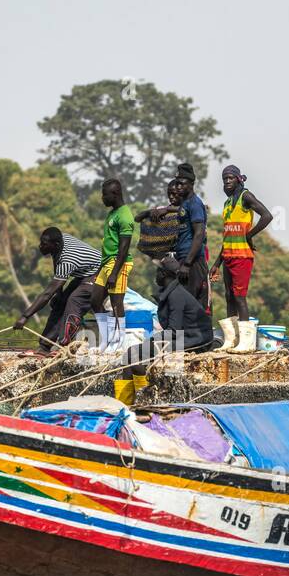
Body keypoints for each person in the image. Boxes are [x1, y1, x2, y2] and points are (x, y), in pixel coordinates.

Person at [114, 255, 213, 405]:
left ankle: (143, 401)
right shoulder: (171, 291)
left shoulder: (176, 295)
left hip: (194, 340)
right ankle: (124, 405)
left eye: (158, 271)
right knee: (130, 354)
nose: (156, 275)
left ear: (164, 274)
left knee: (136, 357)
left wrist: (152, 341)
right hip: (182, 336)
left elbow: (173, 330)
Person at [209, 164, 273, 352]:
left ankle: (246, 343)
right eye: (224, 179)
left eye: (230, 178)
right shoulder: (227, 203)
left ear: (238, 179)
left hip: (242, 256)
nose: (227, 181)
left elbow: (267, 216)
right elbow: (228, 236)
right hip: (228, 255)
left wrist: (250, 235)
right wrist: (216, 263)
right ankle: (231, 340)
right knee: (229, 296)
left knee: (239, 297)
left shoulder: (246, 196)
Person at [12, 227, 102, 353]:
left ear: (56, 245)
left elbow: (47, 294)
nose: (40, 246)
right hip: (84, 273)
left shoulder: (68, 260)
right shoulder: (60, 240)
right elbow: (56, 263)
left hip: (100, 272)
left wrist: (25, 316)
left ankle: (64, 346)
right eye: (41, 242)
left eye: (44, 244)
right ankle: (45, 345)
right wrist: (59, 294)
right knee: (60, 303)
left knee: (74, 301)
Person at [89, 178, 136, 353]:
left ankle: (118, 343)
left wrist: (115, 272)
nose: (102, 198)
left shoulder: (125, 215)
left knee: (116, 303)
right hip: (106, 263)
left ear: (115, 194)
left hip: (119, 263)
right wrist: (101, 269)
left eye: (105, 195)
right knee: (95, 300)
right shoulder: (112, 213)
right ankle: (106, 340)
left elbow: (124, 247)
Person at [173, 162, 211, 312]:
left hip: (193, 262)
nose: (178, 187)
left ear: (191, 184)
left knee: (192, 305)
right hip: (183, 259)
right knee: (183, 304)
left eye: (182, 183)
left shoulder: (195, 204)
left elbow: (199, 233)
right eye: (177, 183)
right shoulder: (185, 203)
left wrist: (187, 264)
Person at [135, 178, 185, 259]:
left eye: (174, 193)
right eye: (169, 193)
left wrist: (167, 210)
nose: (171, 196)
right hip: (166, 257)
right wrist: (150, 212)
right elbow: (137, 218)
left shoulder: (191, 209)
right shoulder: (161, 210)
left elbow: (187, 210)